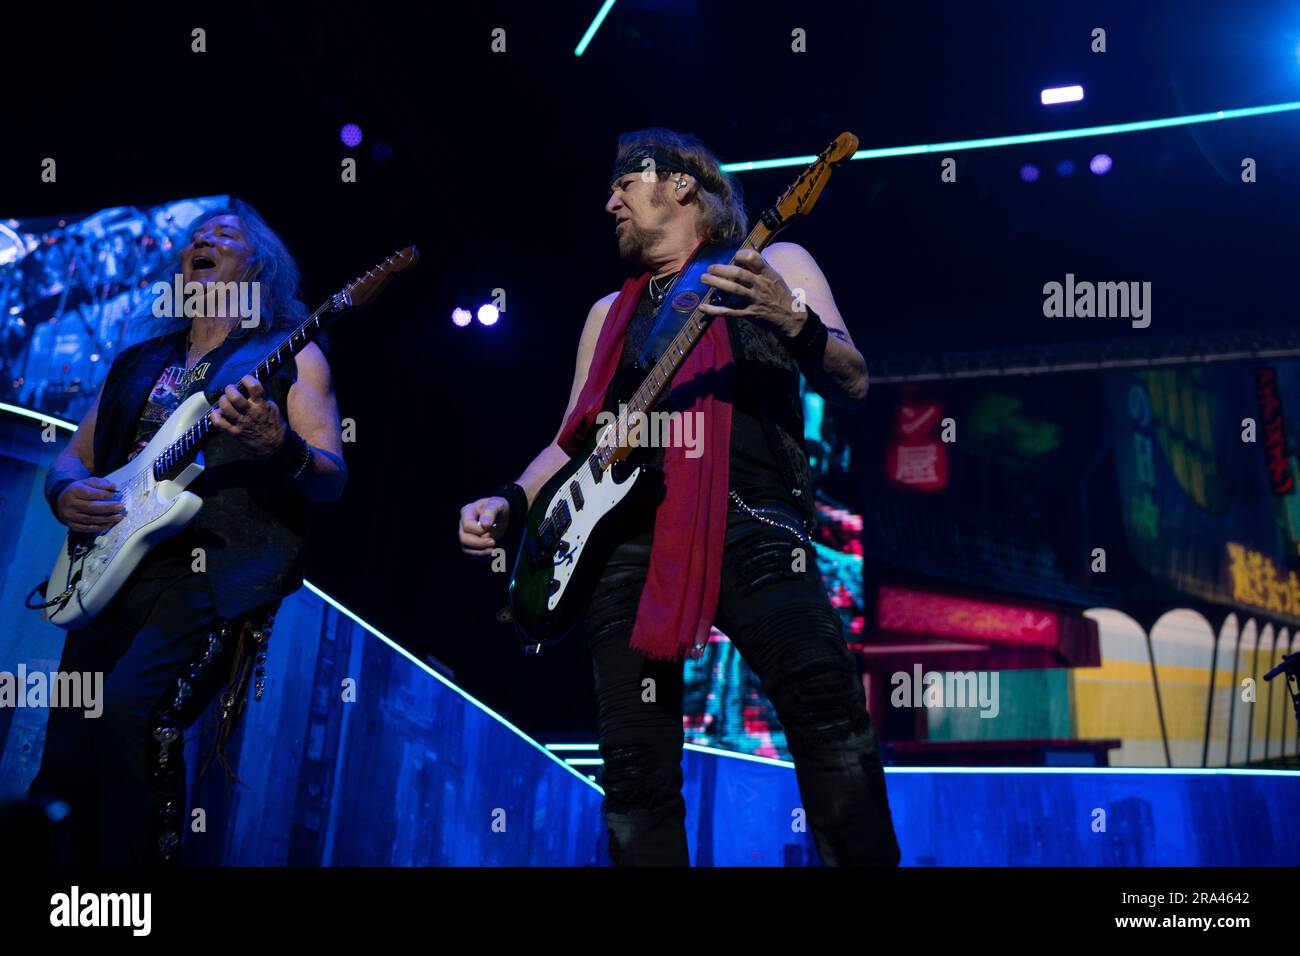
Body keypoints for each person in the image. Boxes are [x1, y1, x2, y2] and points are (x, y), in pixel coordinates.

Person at [459, 129, 901, 866]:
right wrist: (508, 500)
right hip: (623, 548)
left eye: (623, 184)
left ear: (682, 184)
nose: (609, 203)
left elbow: (853, 378)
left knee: (825, 706)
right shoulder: (607, 314)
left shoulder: (775, 261)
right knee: (635, 772)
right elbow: (572, 445)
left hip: (751, 519)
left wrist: (789, 318)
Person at [29, 200, 348, 865]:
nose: (202, 240)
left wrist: (278, 444)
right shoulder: (139, 361)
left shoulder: (289, 354)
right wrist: (64, 492)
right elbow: (72, 459)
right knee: (68, 739)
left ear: (256, 265)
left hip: (211, 573)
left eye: (223, 235)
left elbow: (330, 475)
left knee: (131, 712)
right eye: (194, 236)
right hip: (110, 565)